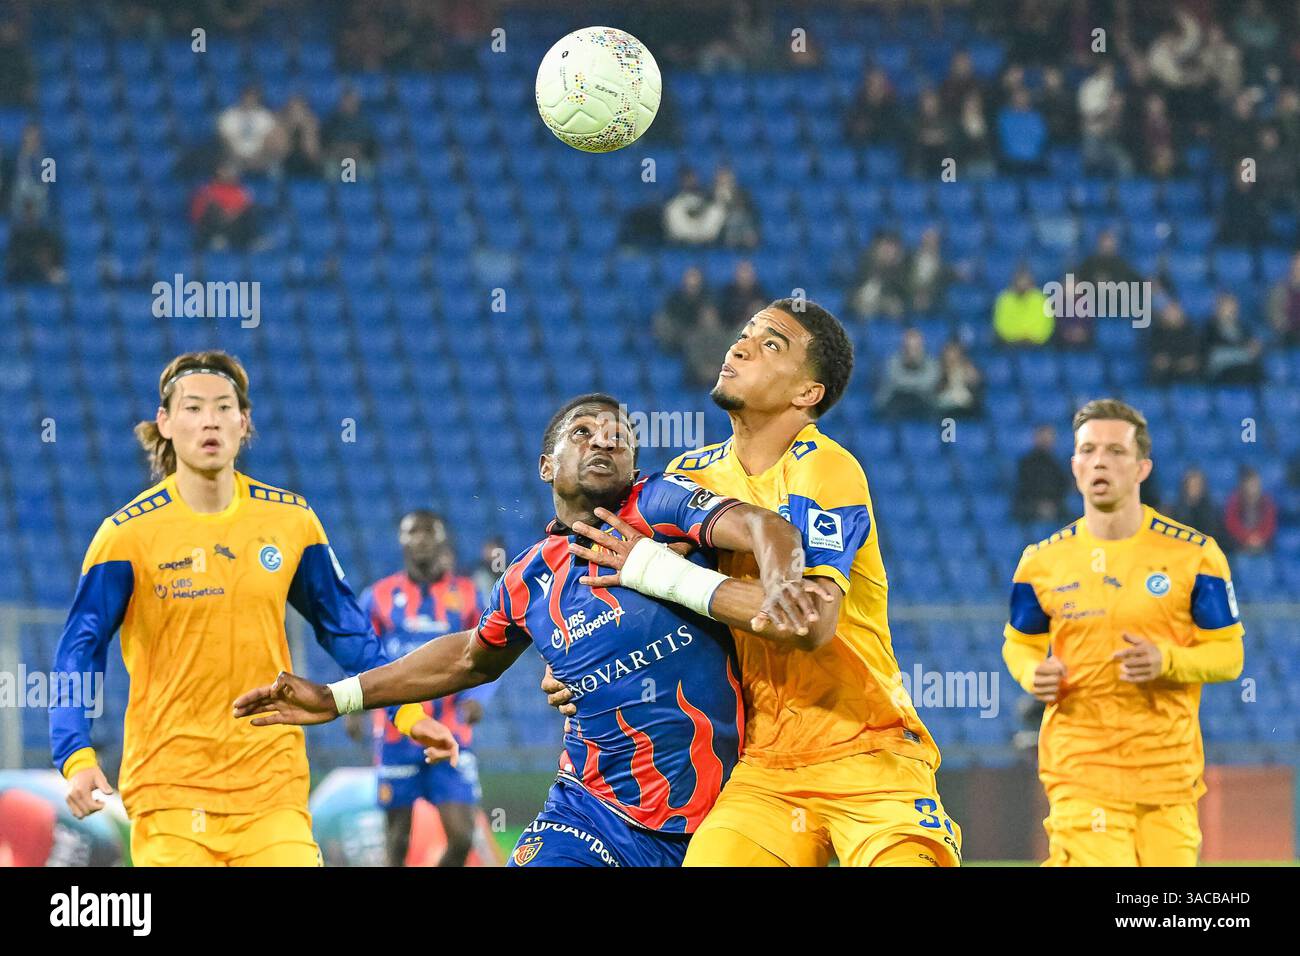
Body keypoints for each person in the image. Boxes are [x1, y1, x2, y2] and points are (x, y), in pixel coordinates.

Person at [235, 393, 835, 867]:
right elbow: (470, 658)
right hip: (589, 810)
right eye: (584, 432)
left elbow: (767, 528)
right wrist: (338, 697)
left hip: (715, 814)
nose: (605, 440)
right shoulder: (527, 576)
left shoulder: (660, 506)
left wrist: (783, 590)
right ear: (548, 464)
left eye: (620, 437)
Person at [550, 299, 963, 868]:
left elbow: (810, 623)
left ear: (807, 393)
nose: (740, 346)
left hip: (868, 748)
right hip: (764, 765)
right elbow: (636, 600)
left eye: (772, 343)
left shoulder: (826, 467)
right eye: (744, 334)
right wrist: (578, 661)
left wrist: (662, 571)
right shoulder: (686, 479)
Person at [48, 350, 441, 866]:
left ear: (244, 421)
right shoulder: (126, 536)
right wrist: (75, 755)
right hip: (169, 792)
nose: (209, 419)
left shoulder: (292, 522)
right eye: (192, 408)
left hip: (270, 788)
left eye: (223, 406)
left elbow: (347, 632)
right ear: (164, 423)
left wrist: (408, 710)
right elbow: (78, 648)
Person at [1002, 399, 1244, 866]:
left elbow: (1229, 655)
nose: (1099, 461)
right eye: (1088, 450)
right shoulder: (1041, 563)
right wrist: (1034, 674)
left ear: (1141, 468)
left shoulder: (1196, 556)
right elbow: (1019, 643)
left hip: (1168, 780)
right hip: (1081, 773)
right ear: (1074, 465)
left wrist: (1167, 661)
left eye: (1115, 451)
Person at [359, 511, 491, 867]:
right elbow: (359, 653)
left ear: (441, 538)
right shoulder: (378, 596)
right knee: (397, 839)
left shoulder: (467, 594)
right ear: (401, 540)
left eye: (427, 532)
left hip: (451, 732)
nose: (419, 539)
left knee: (462, 836)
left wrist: (477, 698)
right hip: (396, 733)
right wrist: (354, 705)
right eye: (410, 532)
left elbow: (491, 649)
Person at [190, 163, 259, 251]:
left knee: (251, 211)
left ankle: (252, 241)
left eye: (232, 172)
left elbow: (246, 207)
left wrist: (234, 213)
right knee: (213, 209)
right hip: (213, 226)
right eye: (226, 172)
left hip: (235, 226)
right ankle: (215, 239)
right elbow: (197, 214)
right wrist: (224, 213)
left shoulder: (242, 191)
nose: (231, 175)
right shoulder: (207, 190)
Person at [875, 328, 940, 419]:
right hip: (895, 403)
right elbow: (895, 380)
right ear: (902, 348)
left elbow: (928, 382)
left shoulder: (932, 364)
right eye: (908, 348)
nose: (912, 352)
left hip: (922, 404)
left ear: (922, 347)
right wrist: (916, 384)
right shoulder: (892, 362)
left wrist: (909, 385)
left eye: (916, 348)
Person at [1013, 424, 1070, 525]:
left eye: (1050, 437)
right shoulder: (1026, 462)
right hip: (1030, 505)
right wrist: (1039, 505)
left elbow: (1062, 485)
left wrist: (1053, 503)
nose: (1047, 440)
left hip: (1054, 505)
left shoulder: (1056, 461)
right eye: (1044, 437)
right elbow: (1024, 487)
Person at [217, 85, 282, 175]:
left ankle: (278, 188)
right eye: (247, 98)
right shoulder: (228, 116)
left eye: (252, 98)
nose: (249, 101)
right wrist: (237, 155)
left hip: (260, 155)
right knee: (227, 168)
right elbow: (225, 141)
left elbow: (270, 139)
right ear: (241, 98)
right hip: (235, 156)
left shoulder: (265, 116)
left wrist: (260, 155)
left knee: (275, 168)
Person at [1202, 293, 1263, 385]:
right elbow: (1215, 354)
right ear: (1218, 309)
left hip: (1245, 367)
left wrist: (1255, 348)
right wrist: (1245, 353)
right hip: (1223, 369)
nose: (1232, 311)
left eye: (1234, 307)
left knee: (1258, 371)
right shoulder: (1210, 328)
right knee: (1244, 371)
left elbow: (1252, 347)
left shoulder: (1243, 328)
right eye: (1228, 307)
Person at [654, 265, 716, 352]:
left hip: (696, 334)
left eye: (695, 279)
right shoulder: (674, 298)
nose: (692, 282)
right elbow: (669, 316)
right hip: (677, 330)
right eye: (690, 278)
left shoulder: (706, 298)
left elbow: (706, 320)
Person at [1224, 466, 1278, 554]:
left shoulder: (1267, 501)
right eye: (1249, 484)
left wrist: (1259, 538)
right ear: (1243, 485)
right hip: (1239, 544)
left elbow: (1270, 524)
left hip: (1262, 544)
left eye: (1254, 484)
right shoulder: (1234, 500)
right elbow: (1231, 523)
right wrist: (1247, 538)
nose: (1252, 487)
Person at [993, 266, 1052, 345]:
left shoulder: (1041, 299)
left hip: (1035, 344)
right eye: (1020, 280)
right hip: (1010, 344)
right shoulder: (1004, 299)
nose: (1022, 284)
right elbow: (1001, 324)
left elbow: (1046, 325)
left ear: (1031, 281)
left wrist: (1033, 337)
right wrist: (1016, 337)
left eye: (1025, 280)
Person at [1147, 299, 1202, 384]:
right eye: (1169, 312)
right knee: (1160, 366)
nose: (1173, 315)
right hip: (1166, 367)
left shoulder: (1189, 331)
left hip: (1184, 366)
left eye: (1175, 312)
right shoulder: (1157, 332)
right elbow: (1157, 354)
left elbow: (1193, 353)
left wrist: (1185, 362)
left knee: (1192, 366)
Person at [1173, 467, 1224, 544]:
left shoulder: (1211, 511)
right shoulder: (1176, 510)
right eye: (1191, 485)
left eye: (1197, 485)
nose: (1193, 489)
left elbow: (1212, 536)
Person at [935, 339, 983, 419]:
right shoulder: (938, 371)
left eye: (954, 353)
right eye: (949, 353)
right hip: (944, 412)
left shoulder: (967, 369)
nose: (951, 357)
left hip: (965, 411)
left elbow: (976, 382)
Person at [1266, 250, 1300, 345]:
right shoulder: (1280, 289)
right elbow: (1276, 318)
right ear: (1292, 266)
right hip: (1288, 335)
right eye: (1297, 264)